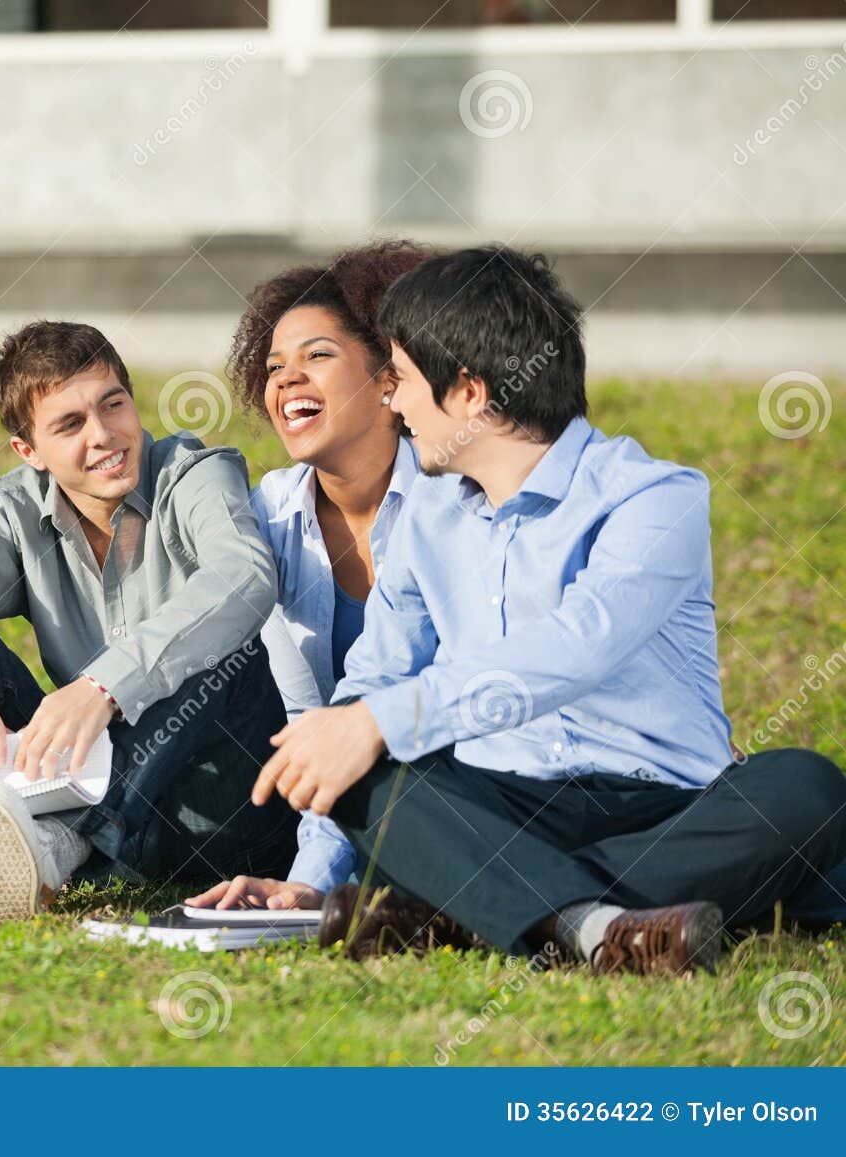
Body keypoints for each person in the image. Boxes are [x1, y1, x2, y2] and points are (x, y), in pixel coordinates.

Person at [250, 246, 846, 974]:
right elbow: (376, 678)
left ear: (468, 393)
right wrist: (314, 872)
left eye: (401, 381)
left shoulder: (654, 497)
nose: (392, 402)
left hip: (665, 805)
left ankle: (468, 910)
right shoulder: (426, 516)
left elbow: (577, 645)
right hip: (505, 806)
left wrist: (379, 719)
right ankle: (595, 926)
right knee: (367, 774)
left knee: (804, 788)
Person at [0, 320, 300, 921]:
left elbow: (244, 578)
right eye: (69, 425)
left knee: (220, 651)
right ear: (30, 452)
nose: (103, 435)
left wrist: (106, 687)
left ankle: (55, 842)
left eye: (113, 405)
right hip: (109, 808)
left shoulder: (191, 473)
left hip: (225, 815)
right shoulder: (19, 511)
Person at [181, 241, 433, 915]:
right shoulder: (267, 514)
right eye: (272, 366)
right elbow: (309, 718)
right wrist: (309, 870)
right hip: (307, 789)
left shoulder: (450, 506)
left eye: (317, 355)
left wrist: (313, 877)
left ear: (390, 377)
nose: (286, 379)